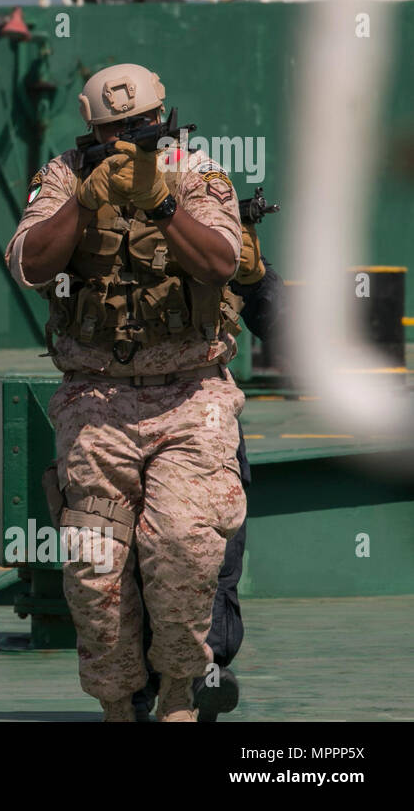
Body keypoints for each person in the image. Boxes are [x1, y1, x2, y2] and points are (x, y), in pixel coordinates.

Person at [4, 63, 247, 722]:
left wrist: (161, 204)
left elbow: (222, 262)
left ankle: (179, 696)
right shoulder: (63, 177)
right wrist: (86, 201)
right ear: (92, 130)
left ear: (162, 119)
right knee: (93, 564)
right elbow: (28, 264)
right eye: (115, 130)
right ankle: (117, 704)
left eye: (141, 126)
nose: (128, 138)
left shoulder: (195, 172)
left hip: (190, 396)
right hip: (96, 400)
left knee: (184, 547)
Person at [132, 217, 288, 720]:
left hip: (203, 419)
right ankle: (137, 690)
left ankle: (204, 679)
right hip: (116, 419)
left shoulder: (210, 228)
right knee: (120, 566)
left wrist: (255, 276)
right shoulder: (96, 224)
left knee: (209, 557)